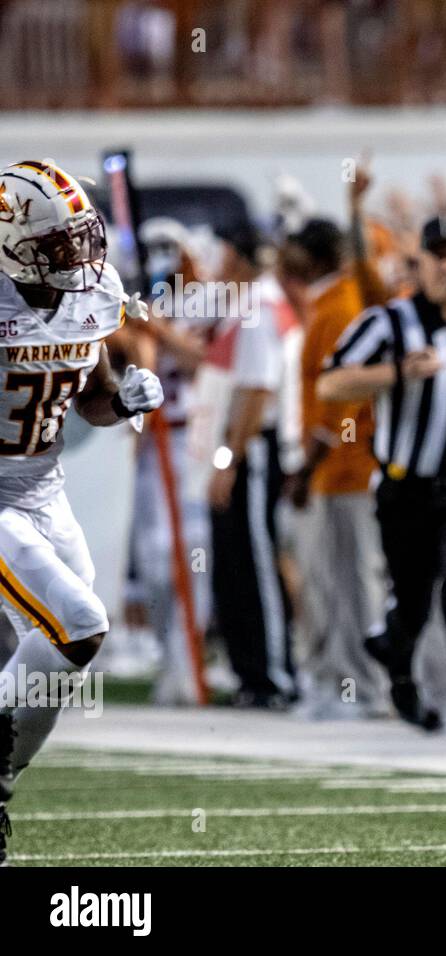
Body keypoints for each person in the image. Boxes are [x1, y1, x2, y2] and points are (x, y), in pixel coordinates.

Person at [0, 160, 164, 863]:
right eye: (58, 244)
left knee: (38, 664)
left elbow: (90, 400)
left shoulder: (94, 290)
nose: (79, 256)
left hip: (45, 488)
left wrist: (122, 399)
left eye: (81, 237)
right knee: (81, 625)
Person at [318, 215, 446, 763]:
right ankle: (394, 653)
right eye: (437, 256)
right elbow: (330, 383)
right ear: (418, 264)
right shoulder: (389, 324)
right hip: (406, 489)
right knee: (414, 602)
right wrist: (396, 373)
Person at [279, 218, 384, 720]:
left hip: (348, 469)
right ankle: (337, 681)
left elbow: (342, 399)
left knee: (353, 583)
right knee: (331, 582)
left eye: (294, 248)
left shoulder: (340, 307)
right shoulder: (326, 303)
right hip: (333, 469)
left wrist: (309, 465)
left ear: (313, 255)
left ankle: (362, 687)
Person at [203, 224, 299, 709]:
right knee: (235, 563)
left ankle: (275, 675)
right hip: (244, 450)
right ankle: (253, 675)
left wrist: (227, 460)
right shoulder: (247, 305)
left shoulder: (258, 309)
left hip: (255, 451)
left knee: (256, 561)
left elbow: (256, 392)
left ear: (237, 258)